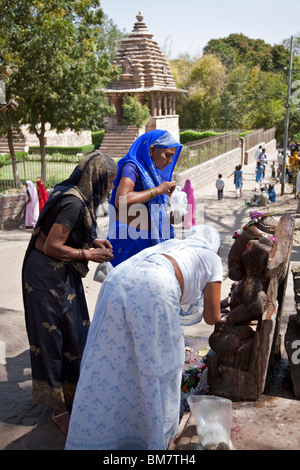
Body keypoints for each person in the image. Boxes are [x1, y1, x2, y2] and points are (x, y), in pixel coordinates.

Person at [65, 225, 223, 450]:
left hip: (117, 278)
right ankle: (153, 440)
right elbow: (212, 316)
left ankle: (100, 438)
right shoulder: (213, 258)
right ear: (215, 247)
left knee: (110, 361)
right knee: (161, 366)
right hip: (154, 286)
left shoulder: (175, 247)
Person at [22, 151, 117, 436]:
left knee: (74, 333)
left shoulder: (71, 192)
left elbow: (62, 235)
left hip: (63, 272)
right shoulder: (73, 203)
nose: (110, 189)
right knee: (51, 339)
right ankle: (57, 409)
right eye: (109, 182)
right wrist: (88, 253)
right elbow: (51, 245)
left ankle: (74, 395)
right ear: (97, 179)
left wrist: (92, 240)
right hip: (45, 275)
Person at [107, 129, 182, 266]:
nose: (170, 161)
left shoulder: (152, 173)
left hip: (147, 239)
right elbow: (122, 200)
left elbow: (148, 211)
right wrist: (158, 190)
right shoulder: (132, 167)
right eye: (167, 155)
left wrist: (171, 218)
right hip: (131, 240)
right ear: (152, 150)